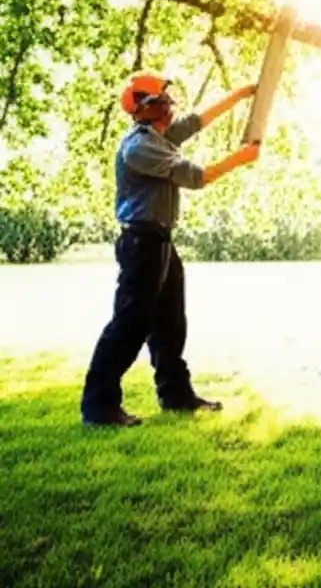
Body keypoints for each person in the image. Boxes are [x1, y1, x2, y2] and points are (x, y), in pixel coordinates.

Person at [80, 71, 262, 427]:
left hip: (161, 241)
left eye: (167, 99)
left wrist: (240, 95)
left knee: (171, 323)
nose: (168, 106)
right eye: (159, 101)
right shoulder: (140, 146)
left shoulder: (160, 137)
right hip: (141, 243)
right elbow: (198, 177)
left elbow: (197, 122)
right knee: (129, 325)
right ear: (141, 108)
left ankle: (176, 396)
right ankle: (99, 408)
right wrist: (240, 158)